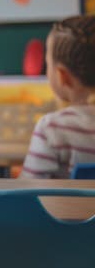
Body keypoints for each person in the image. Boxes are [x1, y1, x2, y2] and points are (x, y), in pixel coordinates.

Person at [22, 15, 95, 178]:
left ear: (63, 77)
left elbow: (28, 193)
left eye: (48, 64)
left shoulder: (52, 129)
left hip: (69, 205)